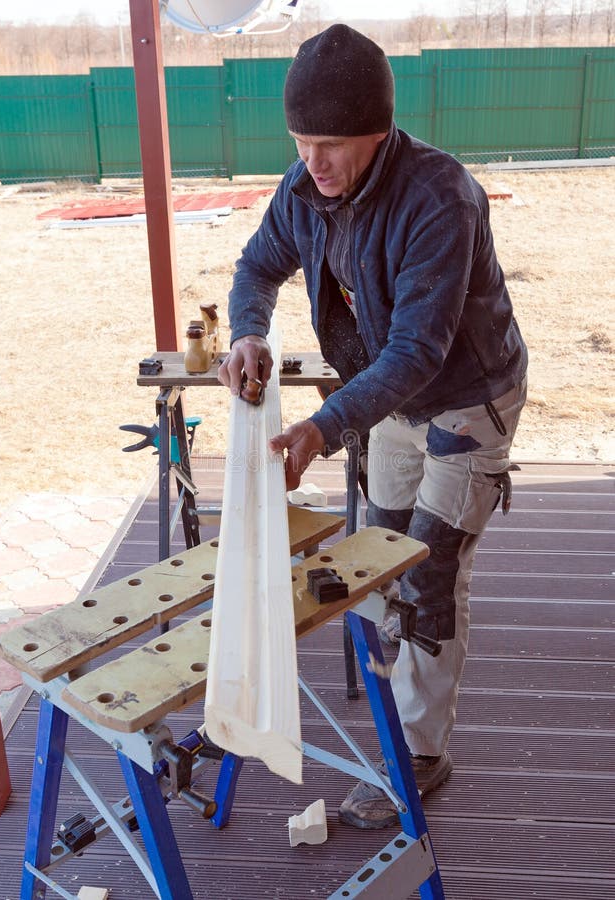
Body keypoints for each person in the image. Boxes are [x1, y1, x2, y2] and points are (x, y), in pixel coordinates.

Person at [218, 23, 528, 829]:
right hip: (387, 399)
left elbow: (418, 350)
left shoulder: (439, 195)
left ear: (379, 130)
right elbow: (256, 267)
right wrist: (247, 328)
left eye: (331, 145)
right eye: (301, 142)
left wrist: (322, 427)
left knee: (429, 574)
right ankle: (397, 700)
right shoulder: (304, 189)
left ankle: (420, 753)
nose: (313, 163)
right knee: (380, 558)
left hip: (465, 398)